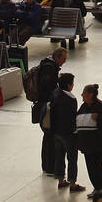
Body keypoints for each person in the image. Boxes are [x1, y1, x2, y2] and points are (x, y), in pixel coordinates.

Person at [76, 84, 102, 192]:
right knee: (90, 167)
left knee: (96, 165)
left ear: (90, 94)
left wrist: (99, 118)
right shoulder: (83, 107)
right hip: (87, 145)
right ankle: (97, 188)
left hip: (101, 144)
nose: (82, 95)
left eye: (83, 93)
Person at [50, 72, 86, 194]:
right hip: (69, 134)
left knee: (59, 156)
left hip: (56, 132)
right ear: (69, 85)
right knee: (72, 158)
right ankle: (73, 183)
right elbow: (72, 118)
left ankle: (61, 180)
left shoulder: (55, 93)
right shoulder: (71, 99)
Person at [37, 47, 67, 176]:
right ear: (57, 57)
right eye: (63, 59)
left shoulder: (47, 64)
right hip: (47, 105)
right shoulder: (50, 68)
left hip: (45, 104)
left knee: (48, 136)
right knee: (50, 136)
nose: (64, 62)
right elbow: (47, 86)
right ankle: (50, 166)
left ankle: (48, 166)